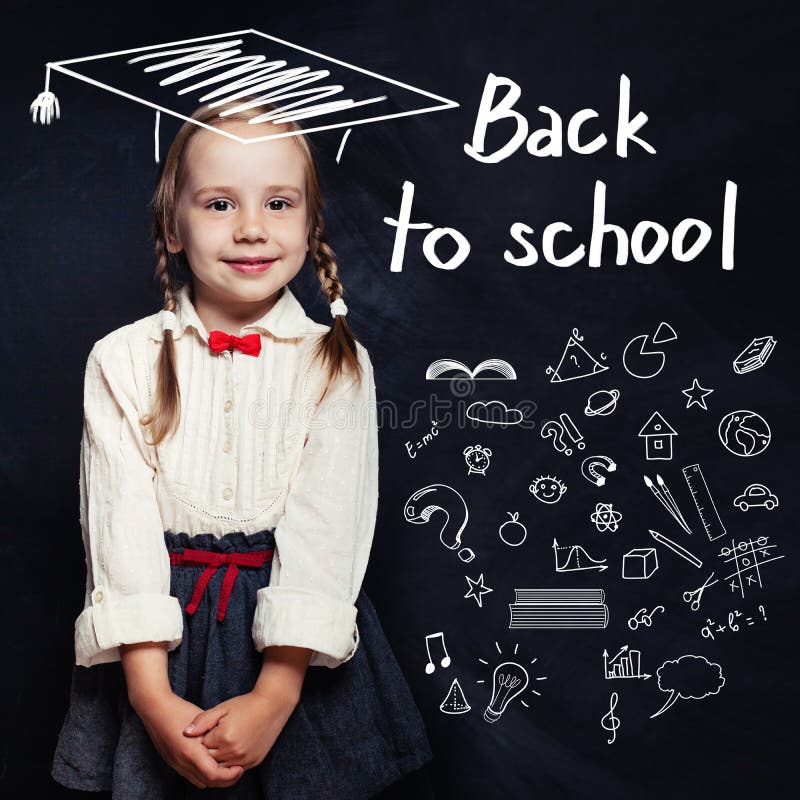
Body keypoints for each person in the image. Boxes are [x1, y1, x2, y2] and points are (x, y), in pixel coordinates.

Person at [51, 100, 433, 799]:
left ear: (310, 225)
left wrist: (275, 696)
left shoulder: (336, 363)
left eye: (279, 202)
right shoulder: (122, 359)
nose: (252, 228)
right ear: (173, 226)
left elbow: (327, 530)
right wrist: (151, 700)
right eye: (220, 203)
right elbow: (118, 529)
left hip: (289, 647)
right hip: (158, 643)